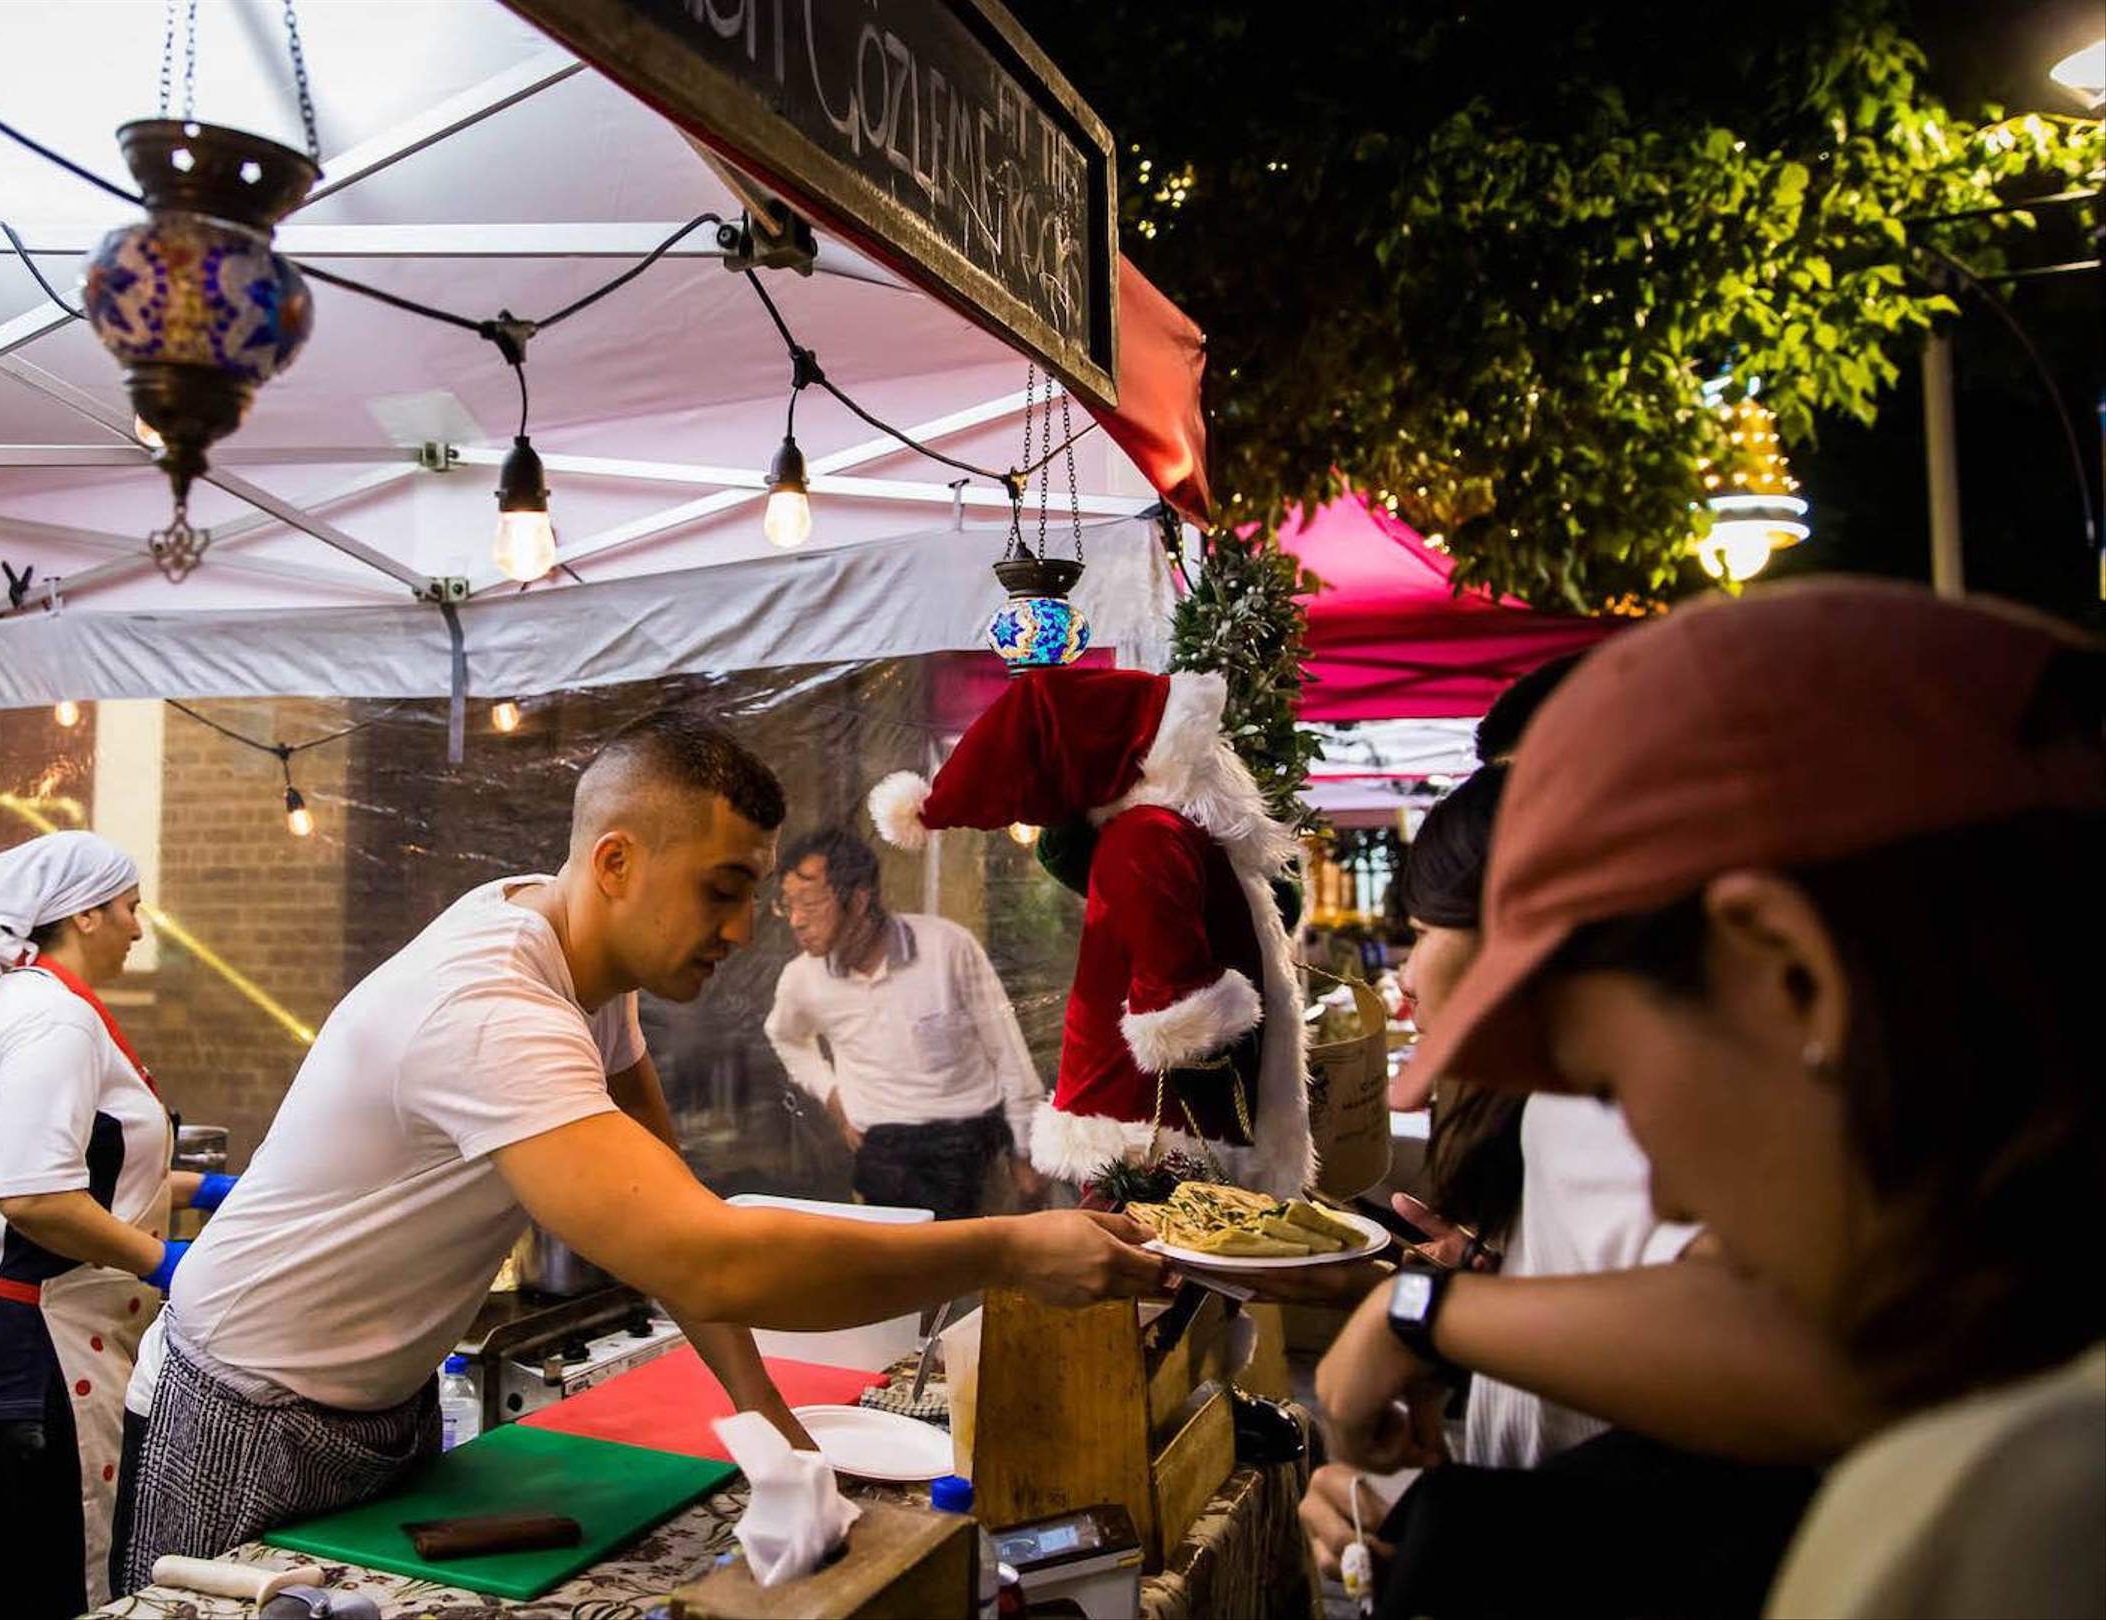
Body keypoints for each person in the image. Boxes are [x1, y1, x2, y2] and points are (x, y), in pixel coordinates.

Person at [114, 713, 1169, 1587]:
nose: (746, 926)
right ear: (615, 862)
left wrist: (768, 1423)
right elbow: (708, 1256)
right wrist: (1015, 1249)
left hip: (379, 1407)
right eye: (723, 887)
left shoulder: (581, 966)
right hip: (251, 1407)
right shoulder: (491, 1008)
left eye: (757, 891)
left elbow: (672, 1215)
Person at [1392, 581, 2103, 1618]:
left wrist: (1427, 1314)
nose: (1670, 1206)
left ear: (1791, 975)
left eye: (1608, 1085)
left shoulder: (2010, 1519)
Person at [1301, 760, 1853, 1614]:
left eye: (1422, 929)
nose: (1404, 978)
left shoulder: (1585, 1106)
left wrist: (1422, 1319)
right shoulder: (1561, 1105)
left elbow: (1777, 1340)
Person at [0, 830, 191, 1616]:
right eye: (130, 908)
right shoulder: (54, 1023)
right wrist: (165, 1262)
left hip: (1, 1343)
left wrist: (215, 1189)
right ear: (86, 915)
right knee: (41, 1580)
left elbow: (87, 1165)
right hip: (27, 1356)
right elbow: (35, 1197)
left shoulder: (37, 1008)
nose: (139, 927)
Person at [764, 827, 1046, 1218]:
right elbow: (785, 1037)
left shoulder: (947, 947)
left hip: (972, 1150)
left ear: (859, 899)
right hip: (883, 1157)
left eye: (809, 904)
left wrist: (1023, 1150)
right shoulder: (802, 979)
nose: (795, 921)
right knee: (894, 1274)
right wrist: (832, 1094)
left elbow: (1006, 1049)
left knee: (977, 1269)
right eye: (787, 905)